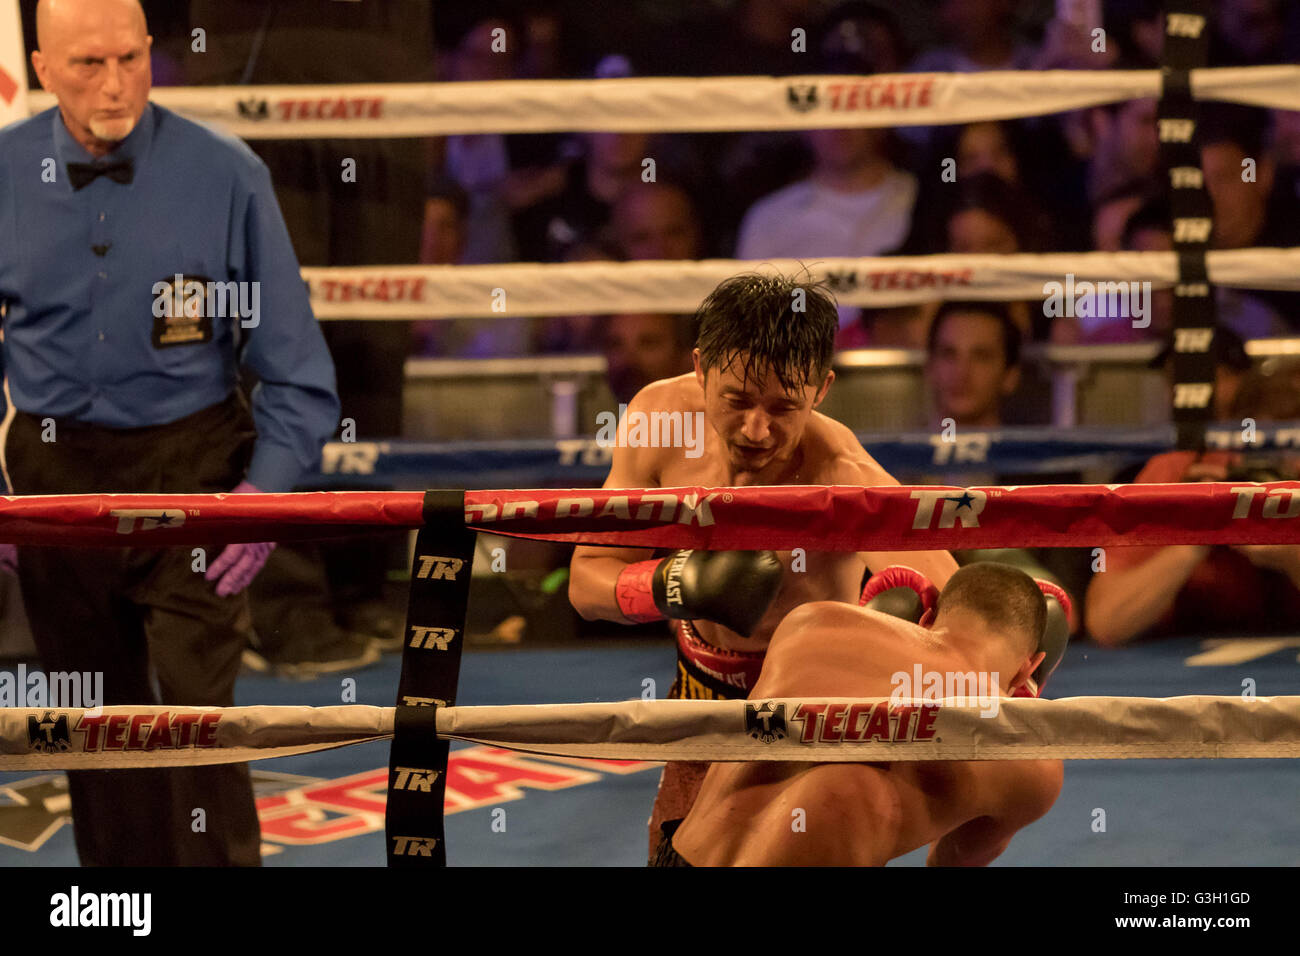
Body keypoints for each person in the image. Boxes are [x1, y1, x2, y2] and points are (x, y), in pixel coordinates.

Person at [0, 0, 338, 864]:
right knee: (91, 721)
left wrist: (262, 500)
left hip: (195, 469)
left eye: (130, 58)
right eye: (87, 66)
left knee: (200, 718)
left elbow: (296, 367)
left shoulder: (227, 174)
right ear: (42, 66)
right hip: (52, 473)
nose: (115, 85)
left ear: (152, 51)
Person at [567, 272, 958, 860]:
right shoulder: (657, 420)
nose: (756, 429)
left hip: (813, 711)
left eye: (783, 407)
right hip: (699, 694)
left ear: (821, 389)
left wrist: (918, 634)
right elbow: (586, 579)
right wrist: (674, 586)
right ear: (700, 369)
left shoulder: (843, 478)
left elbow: (962, 617)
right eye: (736, 400)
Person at [662, 562, 1066, 866]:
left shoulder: (811, 622)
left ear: (926, 617)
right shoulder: (1029, 756)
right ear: (1030, 668)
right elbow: (951, 863)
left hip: (680, 855)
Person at [925, 300, 1022, 428]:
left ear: (1011, 376)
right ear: (929, 368)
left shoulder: (1037, 448)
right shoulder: (896, 447)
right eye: (949, 355)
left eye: (981, 357)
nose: (961, 373)